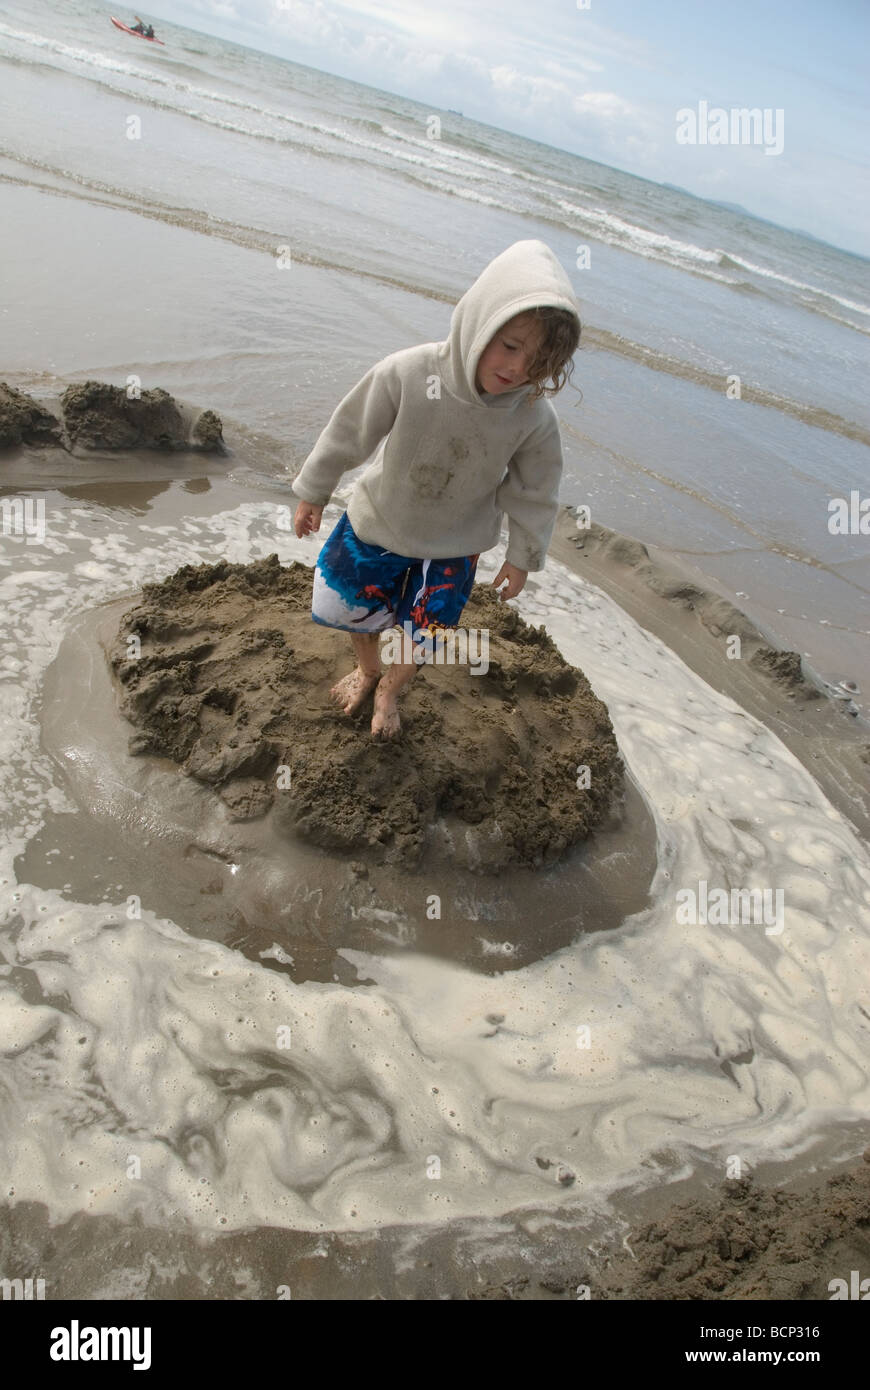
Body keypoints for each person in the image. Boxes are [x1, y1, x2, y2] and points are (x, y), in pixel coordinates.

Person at [291, 238, 581, 739]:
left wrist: (522, 555)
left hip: (455, 545)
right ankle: (367, 671)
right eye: (509, 346)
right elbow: (351, 430)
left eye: (536, 363)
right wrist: (314, 489)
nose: (516, 369)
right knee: (351, 608)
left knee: (422, 631)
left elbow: (536, 490)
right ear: (479, 321)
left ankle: (390, 691)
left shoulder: (532, 416)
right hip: (379, 520)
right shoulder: (410, 372)